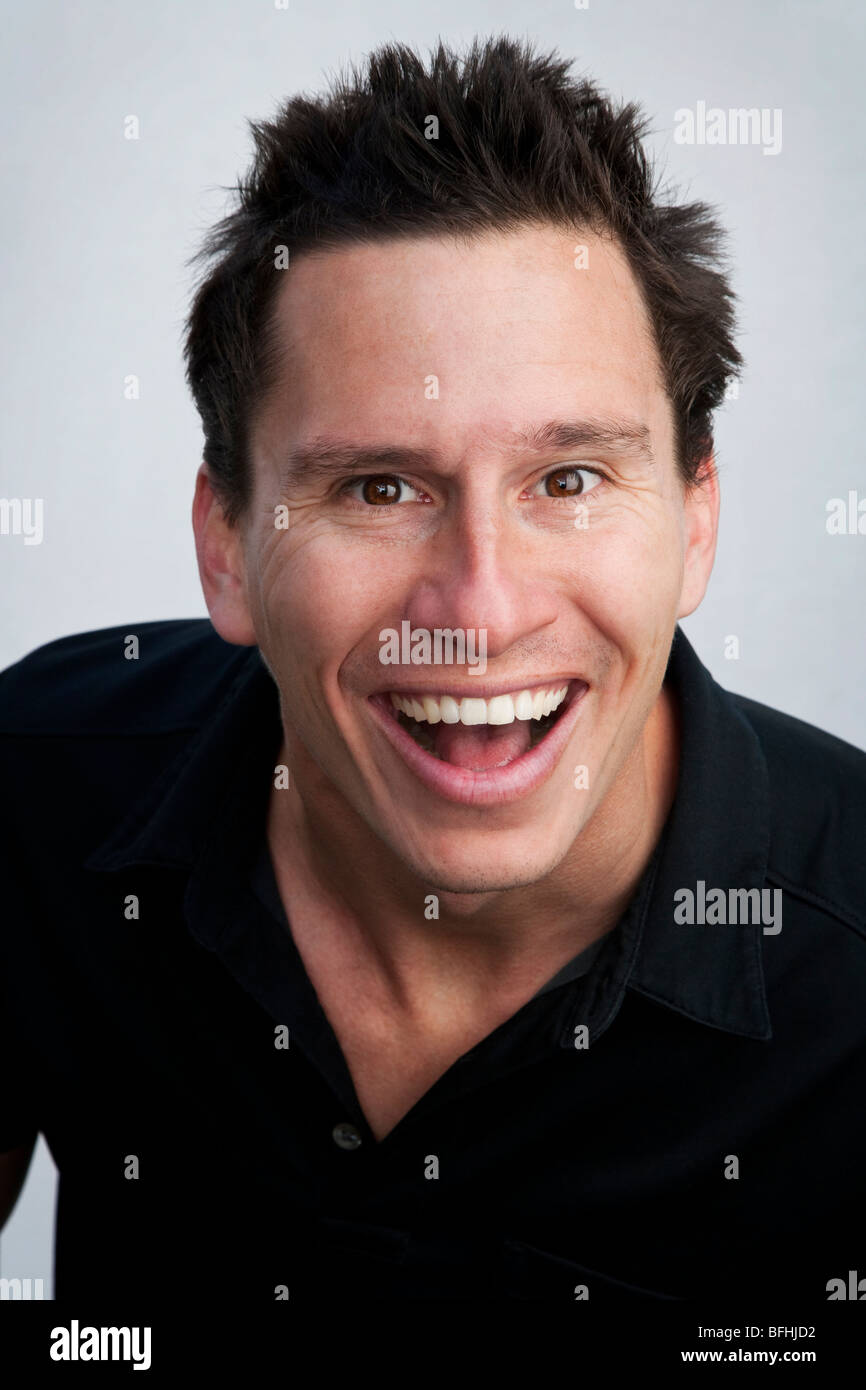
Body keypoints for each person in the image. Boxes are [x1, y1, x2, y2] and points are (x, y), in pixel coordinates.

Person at [1, 35, 864, 1306]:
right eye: (378, 486)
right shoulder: (35, 791)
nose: (480, 605)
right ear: (226, 545)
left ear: (692, 522)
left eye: (567, 480)